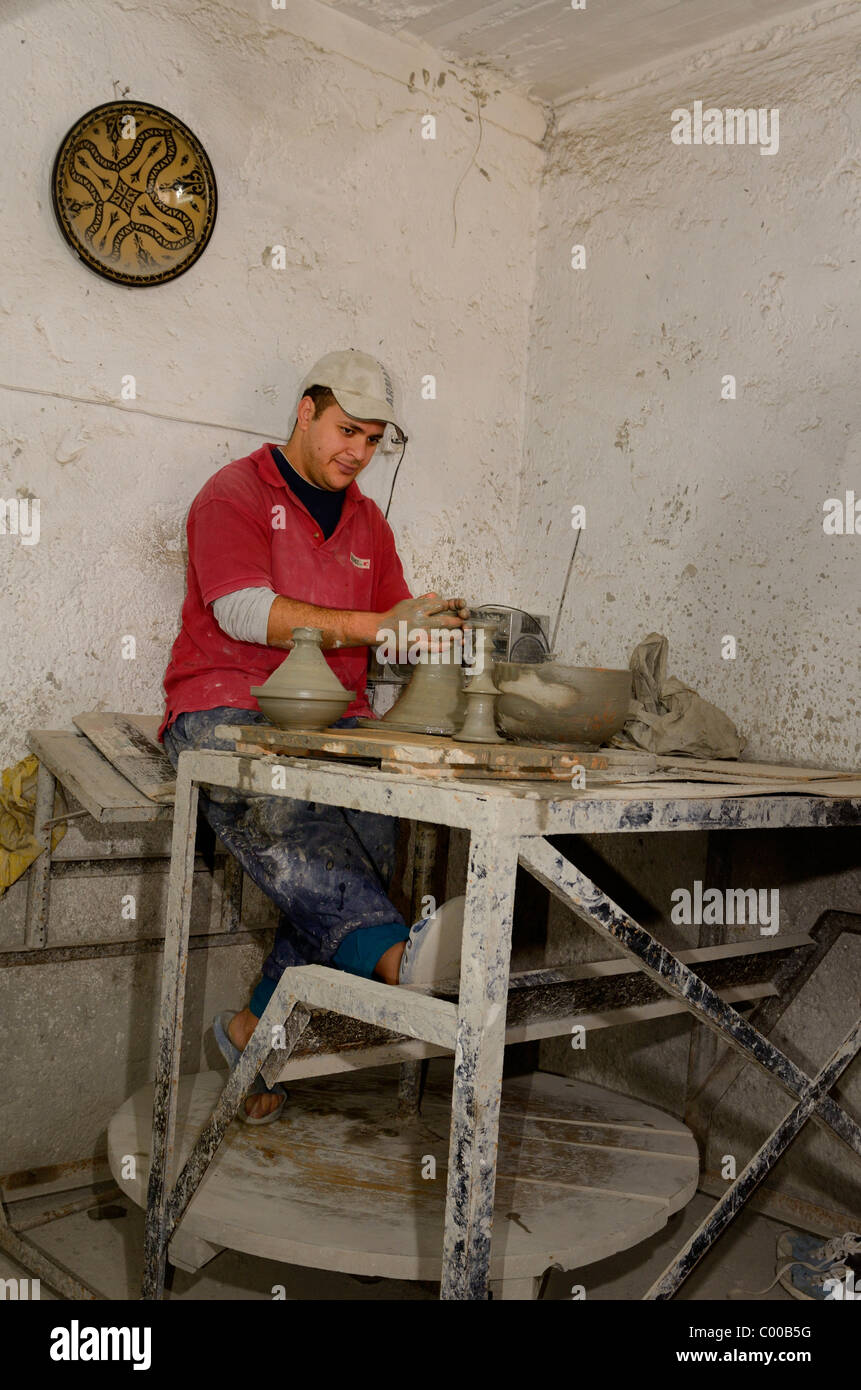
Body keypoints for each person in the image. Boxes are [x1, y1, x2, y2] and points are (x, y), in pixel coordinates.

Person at [158, 350, 468, 1120]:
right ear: (305, 411)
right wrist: (370, 626)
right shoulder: (232, 492)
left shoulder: (367, 521)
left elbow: (391, 634)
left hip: (339, 723)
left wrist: (434, 631)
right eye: (346, 431)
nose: (357, 453)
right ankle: (405, 962)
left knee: (359, 853)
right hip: (226, 710)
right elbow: (238, 608)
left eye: (372, 441)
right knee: (298, 831)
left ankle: (247, 1033)